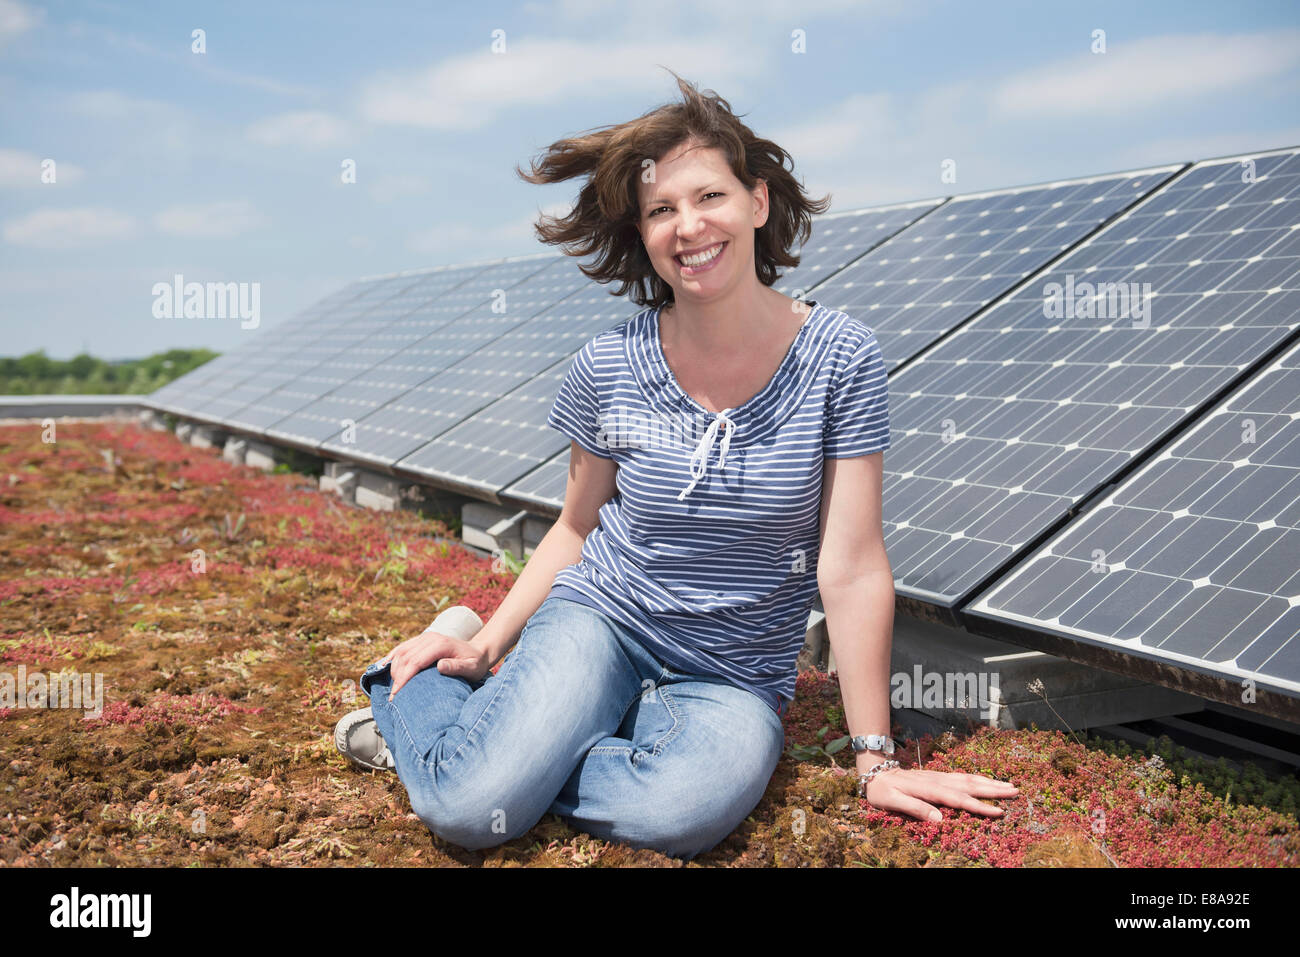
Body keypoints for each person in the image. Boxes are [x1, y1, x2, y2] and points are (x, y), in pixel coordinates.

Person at [336, 70, 1018, 861]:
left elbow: (854, 564)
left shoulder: (841, 356)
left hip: (733, 675)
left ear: (758, 202)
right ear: (643, 235)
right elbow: (576, 527)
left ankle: (513, 744)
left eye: (709, 198)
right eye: (661, 210)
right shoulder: (607, 365)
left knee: (685, 811)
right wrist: (487, 644)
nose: (688, 226)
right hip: (604, 622)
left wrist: (875, 760)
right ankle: (418, 694)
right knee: (469, 804)